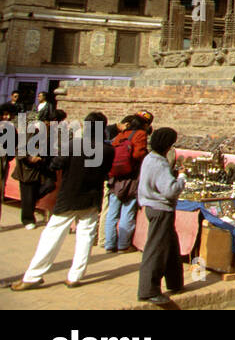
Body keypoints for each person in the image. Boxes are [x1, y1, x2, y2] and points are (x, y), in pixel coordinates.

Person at [10, 113, 112, 291]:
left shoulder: (73, 145)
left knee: (52, 236)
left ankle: (33, 275)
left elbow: (55, 165)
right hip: (91, 197)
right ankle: (75, 276)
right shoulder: (108, 150)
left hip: (69, 197)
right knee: (85, 237)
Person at [136, 127, 187, 305]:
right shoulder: (159, 163)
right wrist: (181, 178)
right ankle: (148, 290)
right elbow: (170, 190)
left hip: (153, 207)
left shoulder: (150, 158)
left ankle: (175, 282)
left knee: (171, 245)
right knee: (156, 248)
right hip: (160, 209)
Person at [103, 114, 150, 252]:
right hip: (131, 177)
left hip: (116, 177)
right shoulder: (140, 135)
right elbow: (138, 155)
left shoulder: (121, 135)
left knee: (112, 212)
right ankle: (123, 245)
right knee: (127, 210)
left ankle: (109, 244)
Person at [13, 121, 55, 229]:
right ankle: (28, 220)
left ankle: (30, 201)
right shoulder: (31, 132)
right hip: (27, 170)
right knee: (28, 195)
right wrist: (30, 159)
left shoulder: (47, 132)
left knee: (49, 185)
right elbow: (19, 151)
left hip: (41, 169)